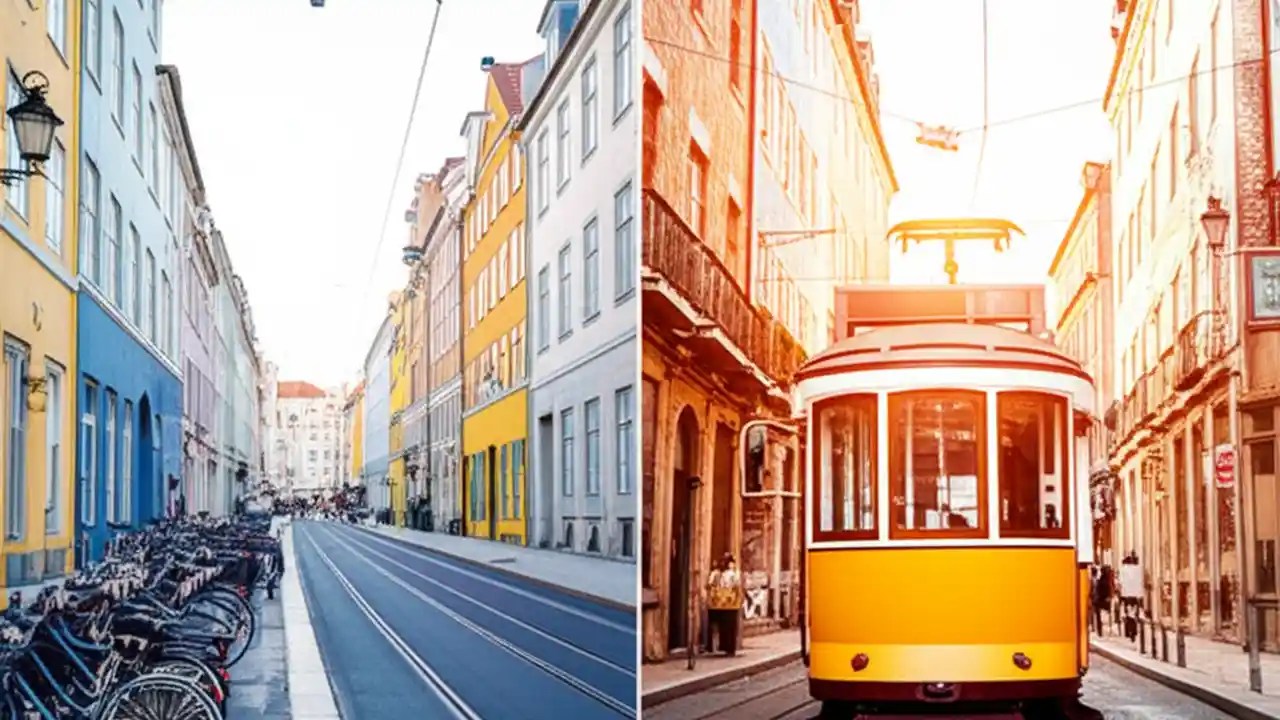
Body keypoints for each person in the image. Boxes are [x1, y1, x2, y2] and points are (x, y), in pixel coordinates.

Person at [706, 553, 744, 656]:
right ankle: (717, 646)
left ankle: (728, 648)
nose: (725, 564)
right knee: (720, 626)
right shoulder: (716, 574)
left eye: (727, 562)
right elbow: (710, 586)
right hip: (719, 604)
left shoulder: (733, 573)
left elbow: (737, 587)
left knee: (729, 627)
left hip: (728, 605)